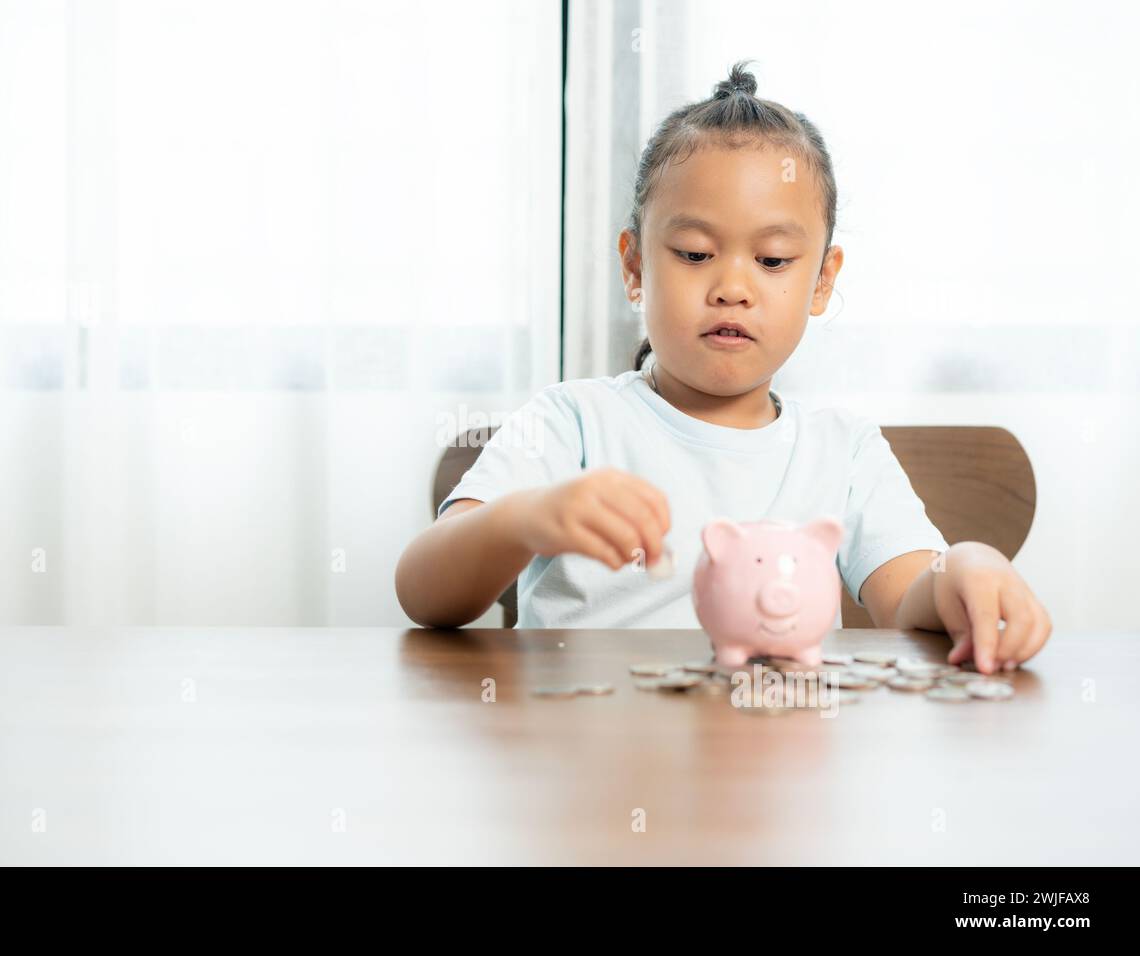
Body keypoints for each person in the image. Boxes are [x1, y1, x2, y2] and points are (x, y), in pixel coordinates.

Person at [395, 60, 1051, 675]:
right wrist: (521, 518)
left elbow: (908, 598)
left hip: (770, 768)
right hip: (593, 761)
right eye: (693, 252)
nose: (733, 287)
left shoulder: (842, 449)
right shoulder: (572, 421)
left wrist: (962, 567)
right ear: (634, 267)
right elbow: (422, 592)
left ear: (822, 281)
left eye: (772, 261)